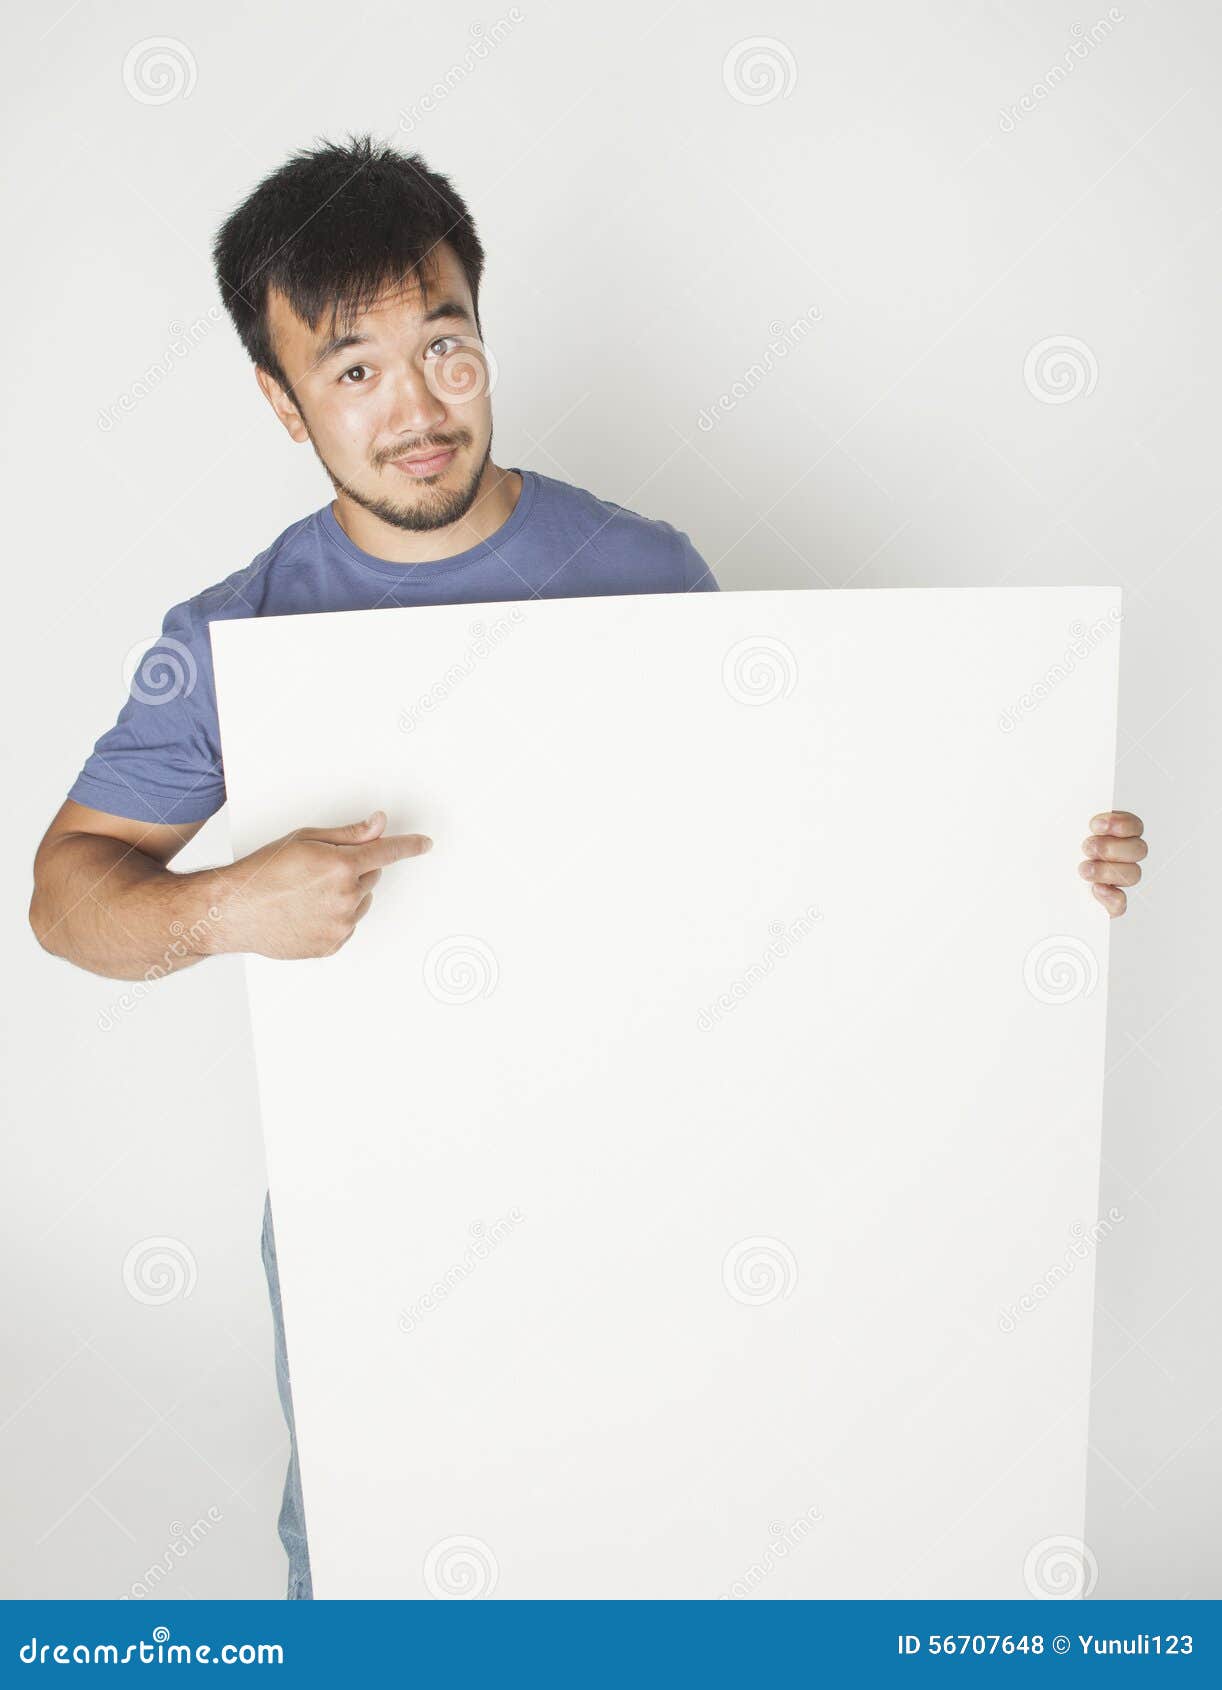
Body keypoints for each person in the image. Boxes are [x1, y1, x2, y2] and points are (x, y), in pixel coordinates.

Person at [27, 134, 1149, 1600]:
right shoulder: (230, 633)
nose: (417, 409)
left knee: (655, 1517)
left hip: (646, 1155)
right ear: (279, 398)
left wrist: (1022, 846)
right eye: (352, 369)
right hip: (374, 1187)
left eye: (445, 348)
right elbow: (66, 897)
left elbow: (784, 862)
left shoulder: (644, 568)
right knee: (366, 1546)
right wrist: (229, 899)